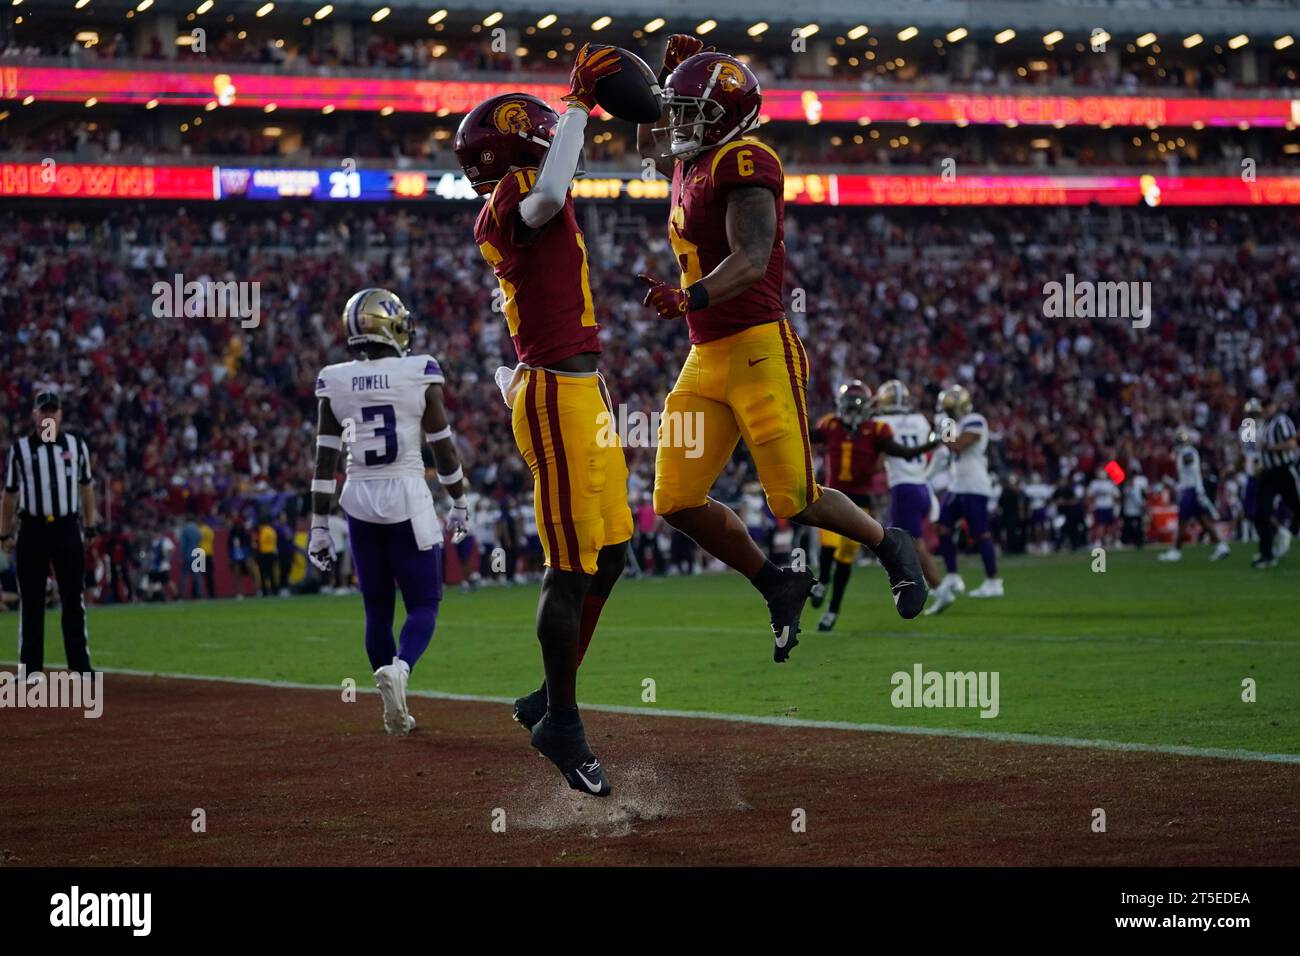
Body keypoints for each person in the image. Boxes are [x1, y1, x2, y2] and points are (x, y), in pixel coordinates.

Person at [636, 37, 926, 662]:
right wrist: (663, 86)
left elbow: (752, 258)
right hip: (705, 354)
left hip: (759, 347)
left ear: (726, 116)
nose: (679, 122)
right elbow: (649, 144)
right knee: (675, 499)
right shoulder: (691, 160)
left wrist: (690, 299)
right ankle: (777, 581)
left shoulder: (746, 160)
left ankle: (887, 543)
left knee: (792, 498)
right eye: (678, 110)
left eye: (691, 110)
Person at [456, 49, 633, 797]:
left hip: (580, 390)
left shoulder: (518, 194)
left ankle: (547, 697)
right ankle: (561, 719)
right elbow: (555, 187)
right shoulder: (521, 190)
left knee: (613, 552)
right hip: (555, 399)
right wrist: (579, 105)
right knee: (568, 568)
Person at [307, 287, 471, 737]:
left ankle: (391, 702)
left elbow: (324, 461)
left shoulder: (334, 379)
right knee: (424, 604)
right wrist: (458, 500)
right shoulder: (419, 370)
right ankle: (400, 668)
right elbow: (443, 447)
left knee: (376, 611)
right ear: (390, 325)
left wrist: (318, 526)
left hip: (358, 498)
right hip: (407, 495)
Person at [810, 379, 936, 632]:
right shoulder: (830, 425)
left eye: (857, 406)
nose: (853, 411)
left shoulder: (876, 430)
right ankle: (823, 580)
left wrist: (935, 442)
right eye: (849, 405)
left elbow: (905, 453)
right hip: (831, 496)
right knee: (828, 547)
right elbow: (805, 435)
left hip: (859, 502)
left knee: (845, 559)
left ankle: (833, 610)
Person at [0, 391, 100, 678]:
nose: (48, 416)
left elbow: (86, 486)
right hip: (32, 528)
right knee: (31, 600)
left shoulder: (76, 445)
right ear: (34, 415)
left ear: (61, 415)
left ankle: (80, 666)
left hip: (67, 526)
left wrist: (90, 523)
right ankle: (30, 669)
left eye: (53, 411)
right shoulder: (20, 450)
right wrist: (4, 533)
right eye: (43, 411)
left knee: (73, 597)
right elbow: (9, 495)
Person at [926, 385, 1002, 615]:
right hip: (957, 485)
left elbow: (957, 446)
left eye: (950, 410)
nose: (948, 414)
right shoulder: (956, 424)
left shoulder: (975, 420)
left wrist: (944, 428)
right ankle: (952, 576)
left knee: (980, 534)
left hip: (975, 485)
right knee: (942, 527)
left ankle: (993, 581)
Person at [1159, 428, 1230, 562]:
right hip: (1192, 490)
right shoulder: (1185, 452)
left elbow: (1189, 461)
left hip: (1191, 491)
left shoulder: (1187, 452)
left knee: (1183, 522)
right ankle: (1222, 546)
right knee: (1203, 521)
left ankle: (1176, 551)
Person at [1248, 395, 1300, 568]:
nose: (1265, 409)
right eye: (1263, 406)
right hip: (1268, 474)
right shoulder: (1263, 425)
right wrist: (1261, 466)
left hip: (1285, 471)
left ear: (1273, 405)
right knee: (1261, 513)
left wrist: (1271, 448)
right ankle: (1267, 554)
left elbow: (1292, 443)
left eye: (1267, 405)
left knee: (1297, 507)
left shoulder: (1281, 421)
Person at [1119, 462, 1150, 549]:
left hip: (1136, 509)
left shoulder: (1138, 485)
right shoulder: (1127, 486)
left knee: (1138, 526)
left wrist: (1143, 505)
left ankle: (1138, 541)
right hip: (1129, 509)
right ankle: (1128, 541)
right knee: (1129, 526)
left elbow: (1140, 497)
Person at [1087, 468, 1120, 547]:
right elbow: (1089, 495)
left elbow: (1117, 495)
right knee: (1100, 525)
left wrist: (1115, 505)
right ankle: (1098, 541)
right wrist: (1090, 505)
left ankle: (1115, 541)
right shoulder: (1094, 483)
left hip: (1109, 506)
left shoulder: (1110, 483)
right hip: (1099, 507)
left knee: (1112, 525)